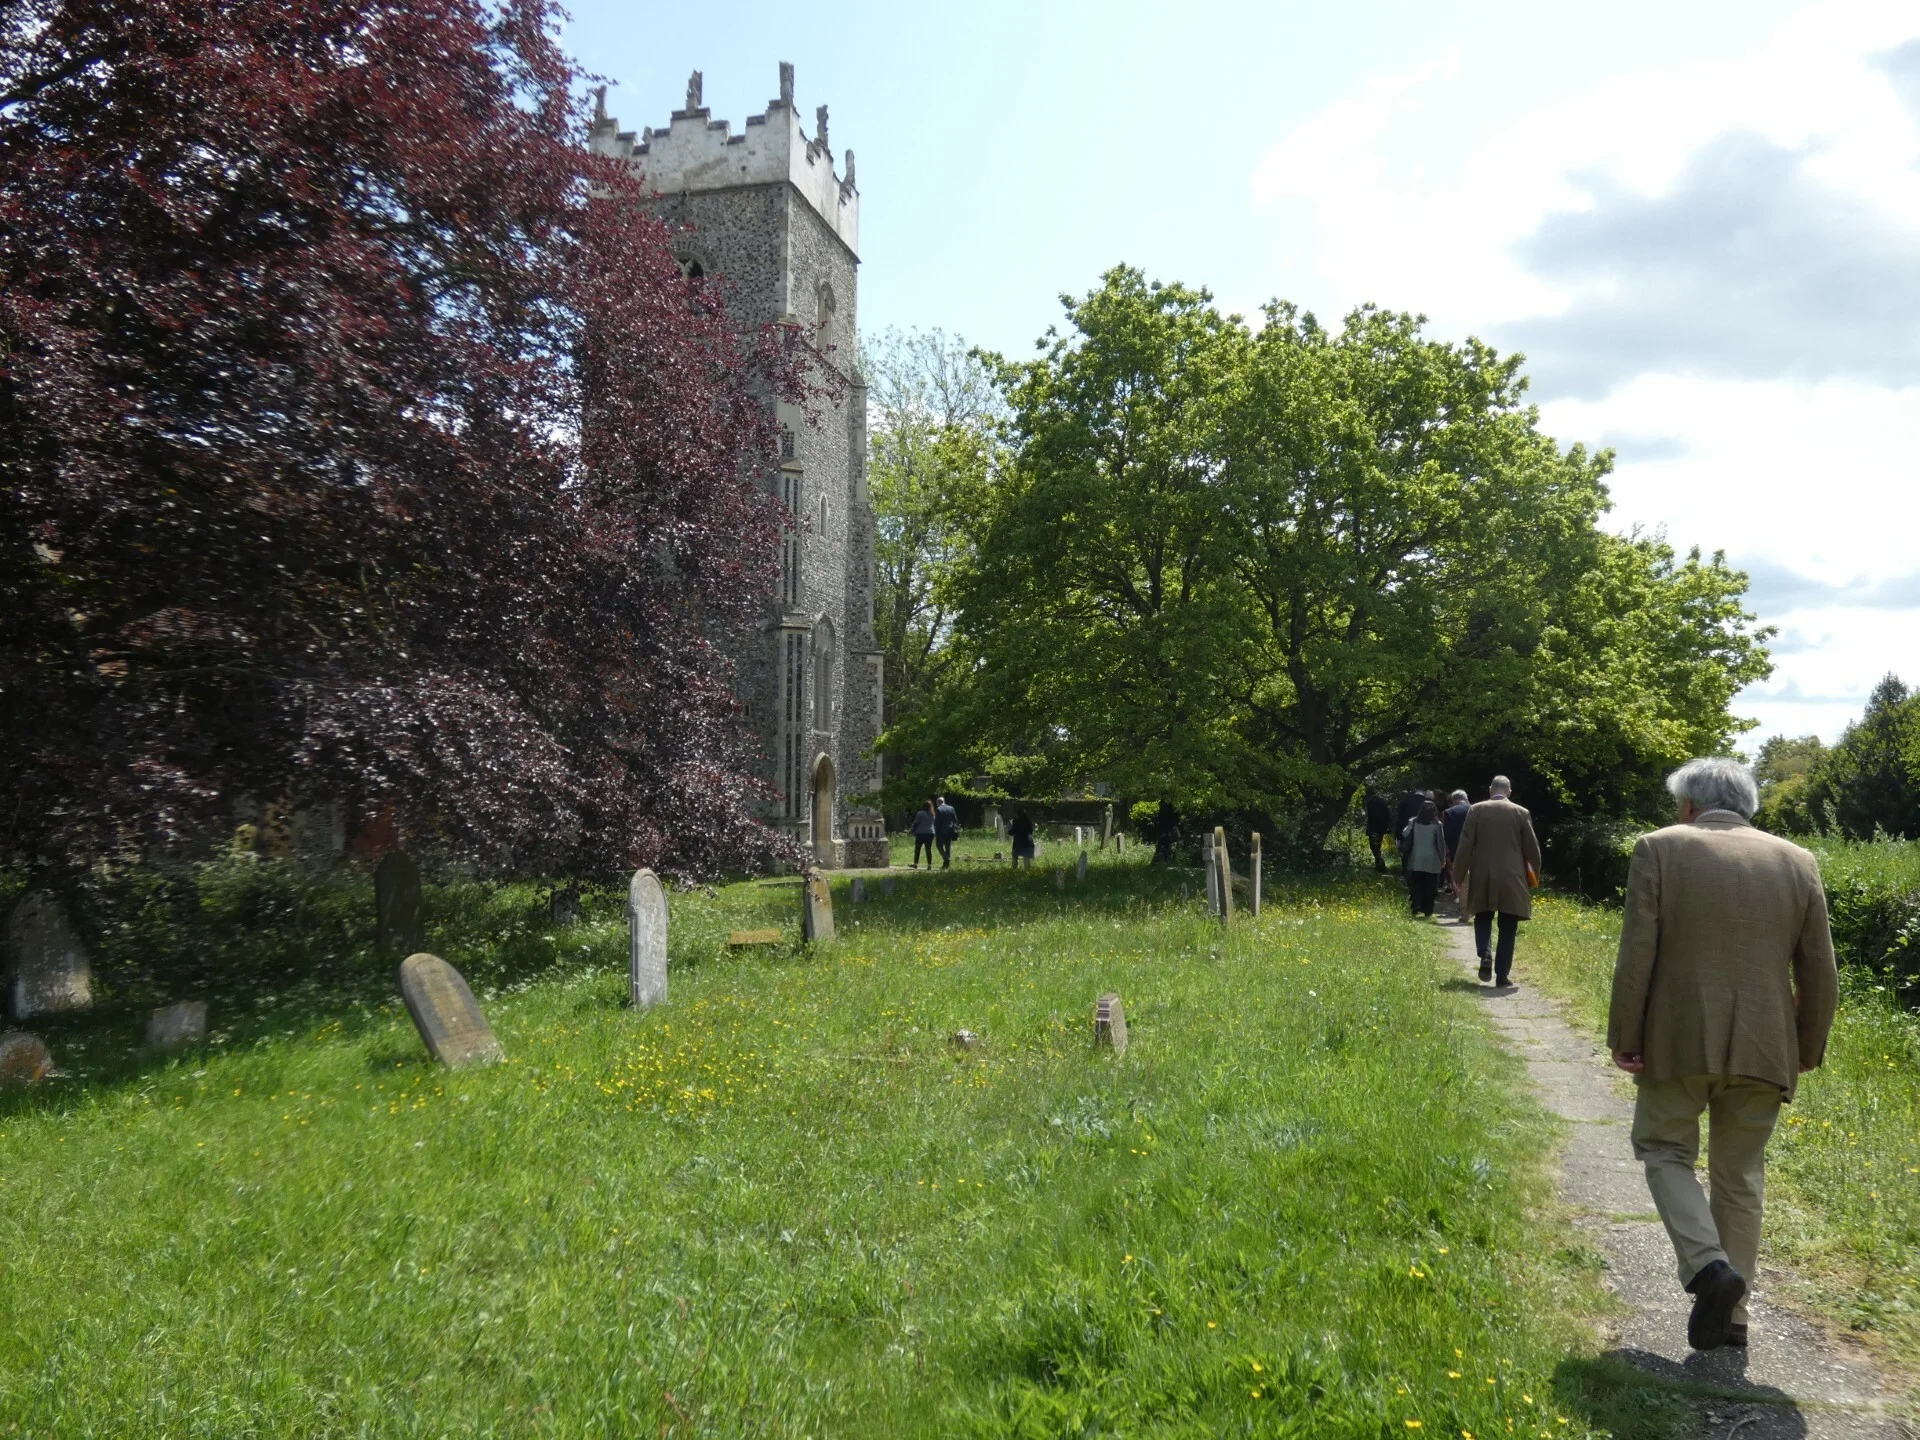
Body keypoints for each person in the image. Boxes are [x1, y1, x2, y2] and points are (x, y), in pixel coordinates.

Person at [1607, 757, 1837, 1353]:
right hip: (1767, 1043)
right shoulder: (1798, 861)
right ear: (1746, 807)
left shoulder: (1658, 847)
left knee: (1664, 1150)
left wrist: (1625, 1036)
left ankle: (1710, 1268)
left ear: (1689, 804)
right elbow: (1819, 968)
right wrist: (1806, 1043)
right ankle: (1733, 1321)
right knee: (1740, 1175)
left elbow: (1638, 952)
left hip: (1677, 1037)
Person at [1450, 776, 1541, 987]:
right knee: (1508, 926)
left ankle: (1485, 954)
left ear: (1490, 789)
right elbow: (1532, 850)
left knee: (1483, 916)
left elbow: (1465, 845)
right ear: (1509, 792)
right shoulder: (1521, 812)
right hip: (1513, 876)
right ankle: (1502, 975)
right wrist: (1533, 877)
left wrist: (1458, 876)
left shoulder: (1476, 810)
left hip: (1482, 874)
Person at [1400, 799, 1447, 916]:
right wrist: (1443, 859)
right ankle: (1428, 910)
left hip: (1416, 858)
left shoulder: (1414, 821)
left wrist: (1410, 825)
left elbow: (1404, 834)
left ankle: (1416, 906)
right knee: (1430, 887)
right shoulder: (1437, 824)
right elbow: (1440, 843)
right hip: (1432, 859)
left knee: (1416, 885)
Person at [1441, 789, 1471, 895]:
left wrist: (1447, 853)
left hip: (1456, 850)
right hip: (1476, 850)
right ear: (1465, 798)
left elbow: (1445, 835)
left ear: (1454, 800)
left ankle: (1461, 902)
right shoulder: (1478, 809)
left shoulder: (1448, 813)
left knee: (1458, 877)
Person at [1365, 790, 1393, 872]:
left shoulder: (1370, 802)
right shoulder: (1382, 801)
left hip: (1373, 828)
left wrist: (1368, 828)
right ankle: (1378, 865)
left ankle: (1380, 863)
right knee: (1378, 845)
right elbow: (1388, 814)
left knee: (1373, 846)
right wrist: (1387, 826)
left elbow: (1369, 817)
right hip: (1381, 828)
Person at [909, 799, 936, 870]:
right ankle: (929, 865)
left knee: (917, 849)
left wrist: (911, 830)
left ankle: (915, 864)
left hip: (920, 833)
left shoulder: (920, 813)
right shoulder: (932, 814)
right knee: (928, 849)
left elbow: (916, 823)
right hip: (930, 833)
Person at [934, 795, 959, 869]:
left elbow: (937, 822)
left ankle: (946, 858)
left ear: (938, 802)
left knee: (939, 846)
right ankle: (946, 865)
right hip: (950, 830)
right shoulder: (951, 808)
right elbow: (955, 819)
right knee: (947, 847)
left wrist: (935, 832)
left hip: (941, 831)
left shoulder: (938, 809)